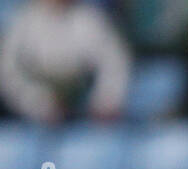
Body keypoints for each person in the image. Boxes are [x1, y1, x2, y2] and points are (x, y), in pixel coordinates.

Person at [0, 0, 131, 124]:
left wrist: (105, 100)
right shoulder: (23, 20)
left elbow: (114, 63)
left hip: (83, 111)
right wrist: (36, 103)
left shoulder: (88, 18)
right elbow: (8, 71)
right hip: (28, 116)